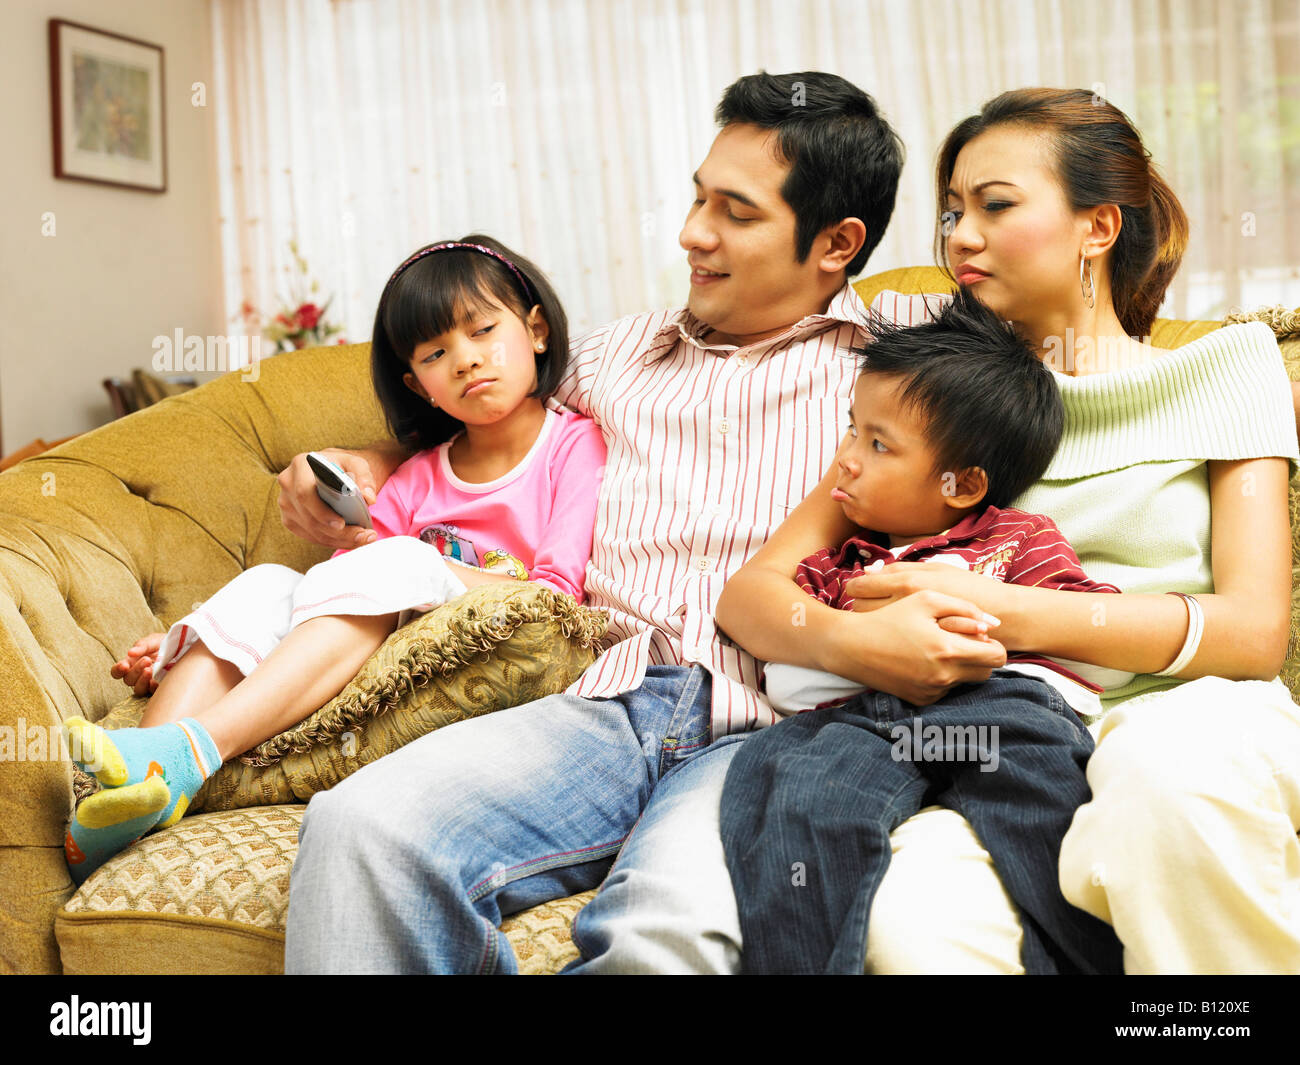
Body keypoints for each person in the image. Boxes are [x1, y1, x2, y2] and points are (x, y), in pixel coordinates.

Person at [272, 71, 1008, 974]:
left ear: (837, 243)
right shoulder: (616, 354)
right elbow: (487, 414)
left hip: (782, 727)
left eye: (735, 213)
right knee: (362, 827)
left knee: (664, 939)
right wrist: (366, 467)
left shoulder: (918, 356)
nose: (692, 232)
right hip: (610, 700)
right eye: (699, 198)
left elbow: (1054, 304)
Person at [715, 87, 1300, 974]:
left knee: (1169, 788)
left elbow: (1255, 632)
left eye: (995, 205)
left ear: (1097, 227)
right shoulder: (941, 396)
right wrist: (869, 642)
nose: (958, 236)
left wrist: (993, 605)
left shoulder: (1228, 366)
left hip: (1188, 713)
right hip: (999, 736)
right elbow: (754, 596)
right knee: (913, 925)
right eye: (952, 211)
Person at [65, 236, 606, 885]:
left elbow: (556, 596)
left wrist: (416, 563)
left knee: (398, 556)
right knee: (271, 581)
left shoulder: (572, 445)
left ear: (537, 330)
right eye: (436, 353)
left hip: (497, 628)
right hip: (378, 653)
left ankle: (194, 748)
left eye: (483, 330)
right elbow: (338, 590)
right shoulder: (415, 477)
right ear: (419, 386)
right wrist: (194, 635)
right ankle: (132, 788)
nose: (465, 359)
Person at [722, 288, 1125, 975]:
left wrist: (987, 623)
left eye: (878, 444)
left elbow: (1091, 641)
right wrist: (853, 641)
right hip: (855, 722)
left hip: (999, 707)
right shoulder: (838, 565)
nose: (846, 458)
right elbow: (781, 666)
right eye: (852, 429)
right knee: (796, 806)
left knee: (1045, 807)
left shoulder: (1016, 540)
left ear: (963, 485)